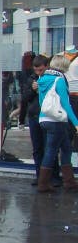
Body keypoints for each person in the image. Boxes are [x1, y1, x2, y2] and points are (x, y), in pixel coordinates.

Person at [35, 54, 78, 192]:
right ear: (63, 66)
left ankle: (69, 182)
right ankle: (43, 184)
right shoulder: (59, 80)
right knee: (51, 151)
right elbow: (66, 104)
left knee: (66, 148)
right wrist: (76, 123)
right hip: (57, 120)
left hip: (44, 119)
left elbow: (41, 102)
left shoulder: (42, 79)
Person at [22, 55, 51, 186]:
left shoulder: (52, 79)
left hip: (48, 116)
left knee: (49, 147)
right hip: (34, 116)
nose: (38, 73)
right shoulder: (31, 79)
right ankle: (40, 176)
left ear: (46, 67)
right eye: (36, 70)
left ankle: (52, 177)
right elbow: (25, 98)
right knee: (37, 148)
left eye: (41, 70)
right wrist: (33, 90)